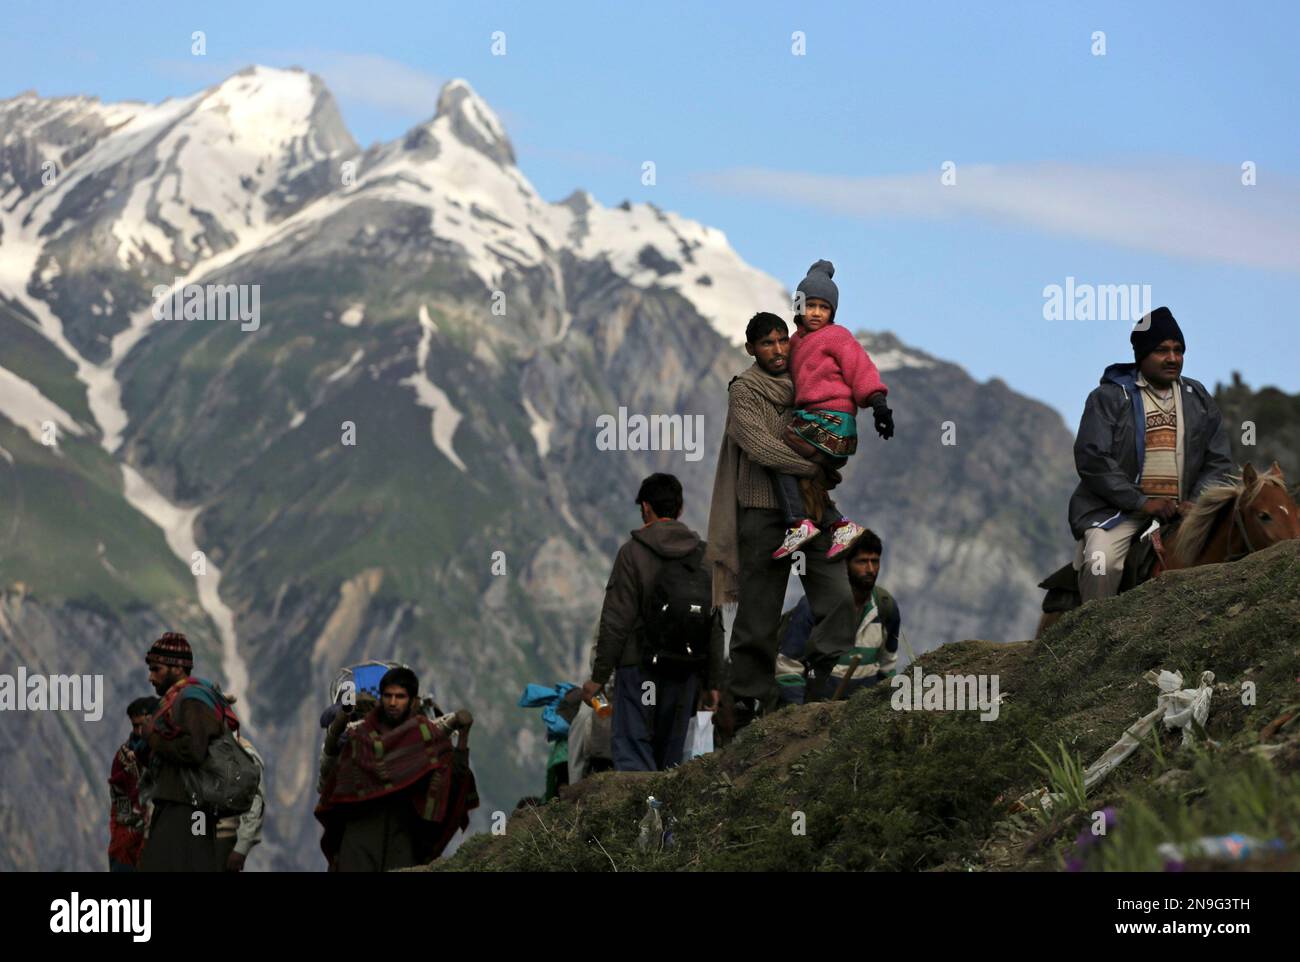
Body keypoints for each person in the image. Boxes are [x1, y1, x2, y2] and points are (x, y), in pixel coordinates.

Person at [706, 311, 854, 730]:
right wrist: (811, 469)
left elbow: (830, 428)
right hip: (763, 514)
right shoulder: (745, 391)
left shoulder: (807, 381)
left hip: (811, 508)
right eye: (766, 343)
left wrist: (827, 463)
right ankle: (747, 706)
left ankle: (815, 676)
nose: (777, 350)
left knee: (840, 595)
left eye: (782, 340)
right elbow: (760, 448)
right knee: (758, 617)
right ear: (751, 349)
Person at [1069, 307, 1233, 601]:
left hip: (1186, 513)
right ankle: (1094, 640)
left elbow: (1218, 459)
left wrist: (1196, 502)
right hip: (1119, 513)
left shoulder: (1198, 398)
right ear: (1141, 355)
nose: (1172, 358)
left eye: (1178, 350)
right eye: (1161, 350)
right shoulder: (1108, 397)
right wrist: (1142, 502)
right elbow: (1092, 457)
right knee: (1100, 563)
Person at [582, 473, 724, 771]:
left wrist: (598, 677)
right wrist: (712, 682)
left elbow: (616, 621)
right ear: (680, 509)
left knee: (634, 750)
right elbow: (714, 622)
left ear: (646, 508)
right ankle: (661, 814)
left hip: (639, 669)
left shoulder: (632, 553)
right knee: (670, 760)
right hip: (685, 673)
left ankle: (642, 816)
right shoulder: (705, 556)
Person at [770, 260, 894, 561]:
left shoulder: (838, 337)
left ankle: (798, 522)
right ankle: (840, 524)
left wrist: (878, 405)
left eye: (823, 308)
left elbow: (860, 368)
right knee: (807, 481)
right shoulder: (797, 342)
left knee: (777, 456)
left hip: (830, 422)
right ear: (799, 307)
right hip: (818, 425)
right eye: (810, 305)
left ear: (832, 313)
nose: (816, 313)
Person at [315, 666, 478, 871]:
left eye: (400, 696)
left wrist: (462, 740)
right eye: (388, 696)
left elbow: (452, 779)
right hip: (359, 845)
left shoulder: (423, 738)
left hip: (402, 844)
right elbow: (332, 788)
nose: (393, 702)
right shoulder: (356, 741)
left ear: (412, 701)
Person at [137, 632, 245, 872]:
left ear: (177, 668)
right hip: (178, 804)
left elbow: (193, 751)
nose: (151, 677)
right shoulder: (180, 699)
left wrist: (151, 736)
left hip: (187, 808)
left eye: (157, 669)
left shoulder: (192, 700)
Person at [805, 530, 901, 701]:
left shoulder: (886, 606)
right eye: (862, 562)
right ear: (845, 564)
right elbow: (790, 666)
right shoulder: (815, 604)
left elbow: (887, 666)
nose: (870, 569)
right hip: (815, 713)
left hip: (861, 717)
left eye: (875, 561)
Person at [108, 696, 158, 872]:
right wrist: (131, 819)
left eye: (142, 725)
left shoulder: (166, 751)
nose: (138, 731)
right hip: (128, 841)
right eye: (134, 726)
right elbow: (118, 793)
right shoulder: (123, 757)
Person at [213, 732, 266, 872]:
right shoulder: (201, 746)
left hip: (225, 839)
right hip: (200, 837)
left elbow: (255, 801)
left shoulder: (243, 751)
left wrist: (241, 847)